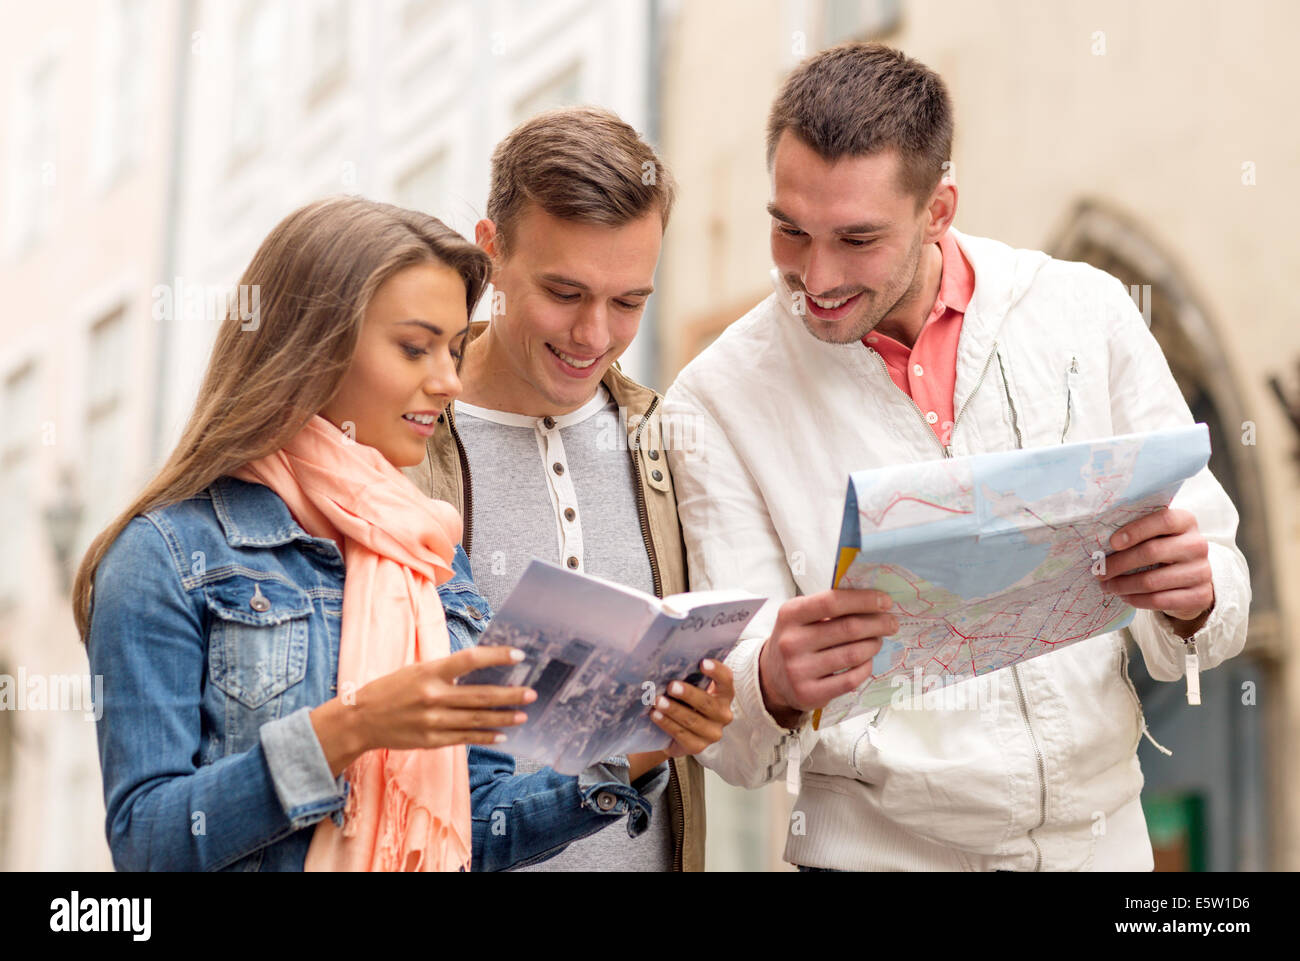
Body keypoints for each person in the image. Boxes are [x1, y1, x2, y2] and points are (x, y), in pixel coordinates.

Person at [664, 42, 1251, 871]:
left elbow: (1219, 580)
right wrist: (771, 681)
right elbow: (732, 733)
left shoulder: (1085, 310)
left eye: (857, 238)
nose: (815, 275)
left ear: (939, 208)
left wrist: (1194, 595)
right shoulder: (716, 399)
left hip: (1107, 847)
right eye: (789, 229)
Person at [77, 196, 538, 871]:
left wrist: (632, 760)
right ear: (315, 346)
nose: (449, 381)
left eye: (455, 347)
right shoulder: (166, 556)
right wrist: (351, 728)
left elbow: (475, 821)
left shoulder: (431, 551)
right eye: (415, 347)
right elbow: (148, 842)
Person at [408, 106, 734, 871]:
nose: (593, 334)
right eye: (564, 292)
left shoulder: (663, 439)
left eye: (629, 302)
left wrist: (710, 710)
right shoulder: (403, 440)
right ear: (489, 256)